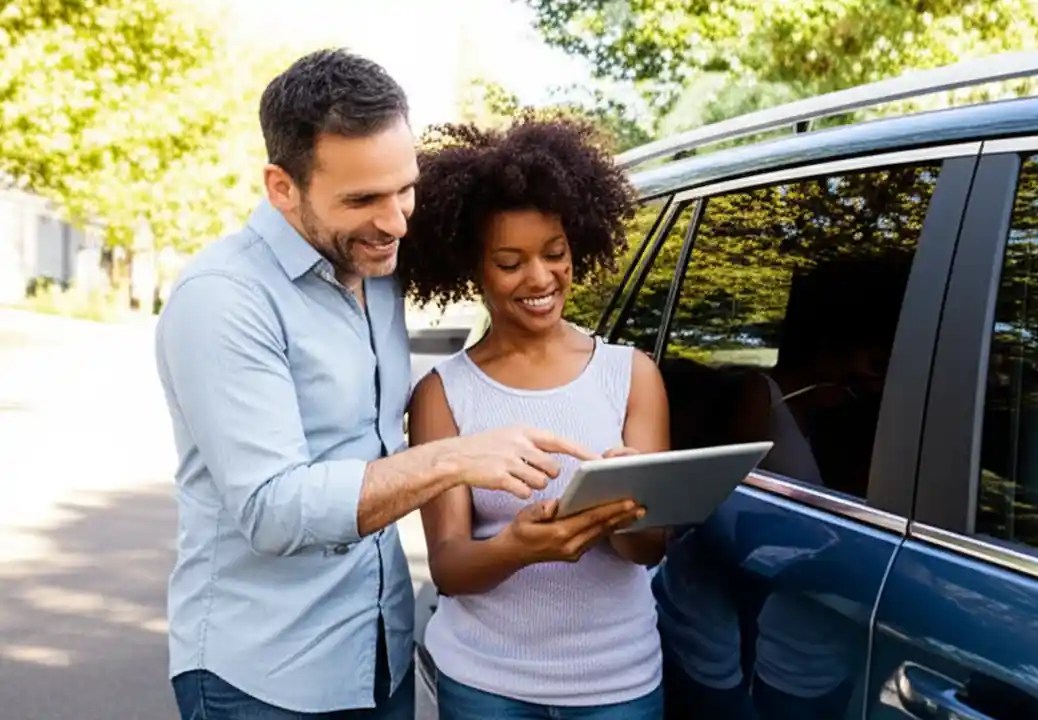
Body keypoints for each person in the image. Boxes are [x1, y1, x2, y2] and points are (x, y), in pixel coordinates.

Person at [154, 51, 595, 720]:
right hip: (266, 680)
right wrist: (451, 457)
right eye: (362, 199)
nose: (395, 221)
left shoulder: (376, 260)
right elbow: (274, 509)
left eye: (405, 188)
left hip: (379, 654)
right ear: (282, 187)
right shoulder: (222, 301)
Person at [399, 114, 670, 720]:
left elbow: (650, 550)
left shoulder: (632, 376)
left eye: (555, 253)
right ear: (474, 269)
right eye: (510, 262)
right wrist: (521, 547)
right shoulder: (443, 394)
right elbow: (448, 565)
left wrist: (627, 510)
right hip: (485, 685)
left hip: (617, 684)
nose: (541, 277)